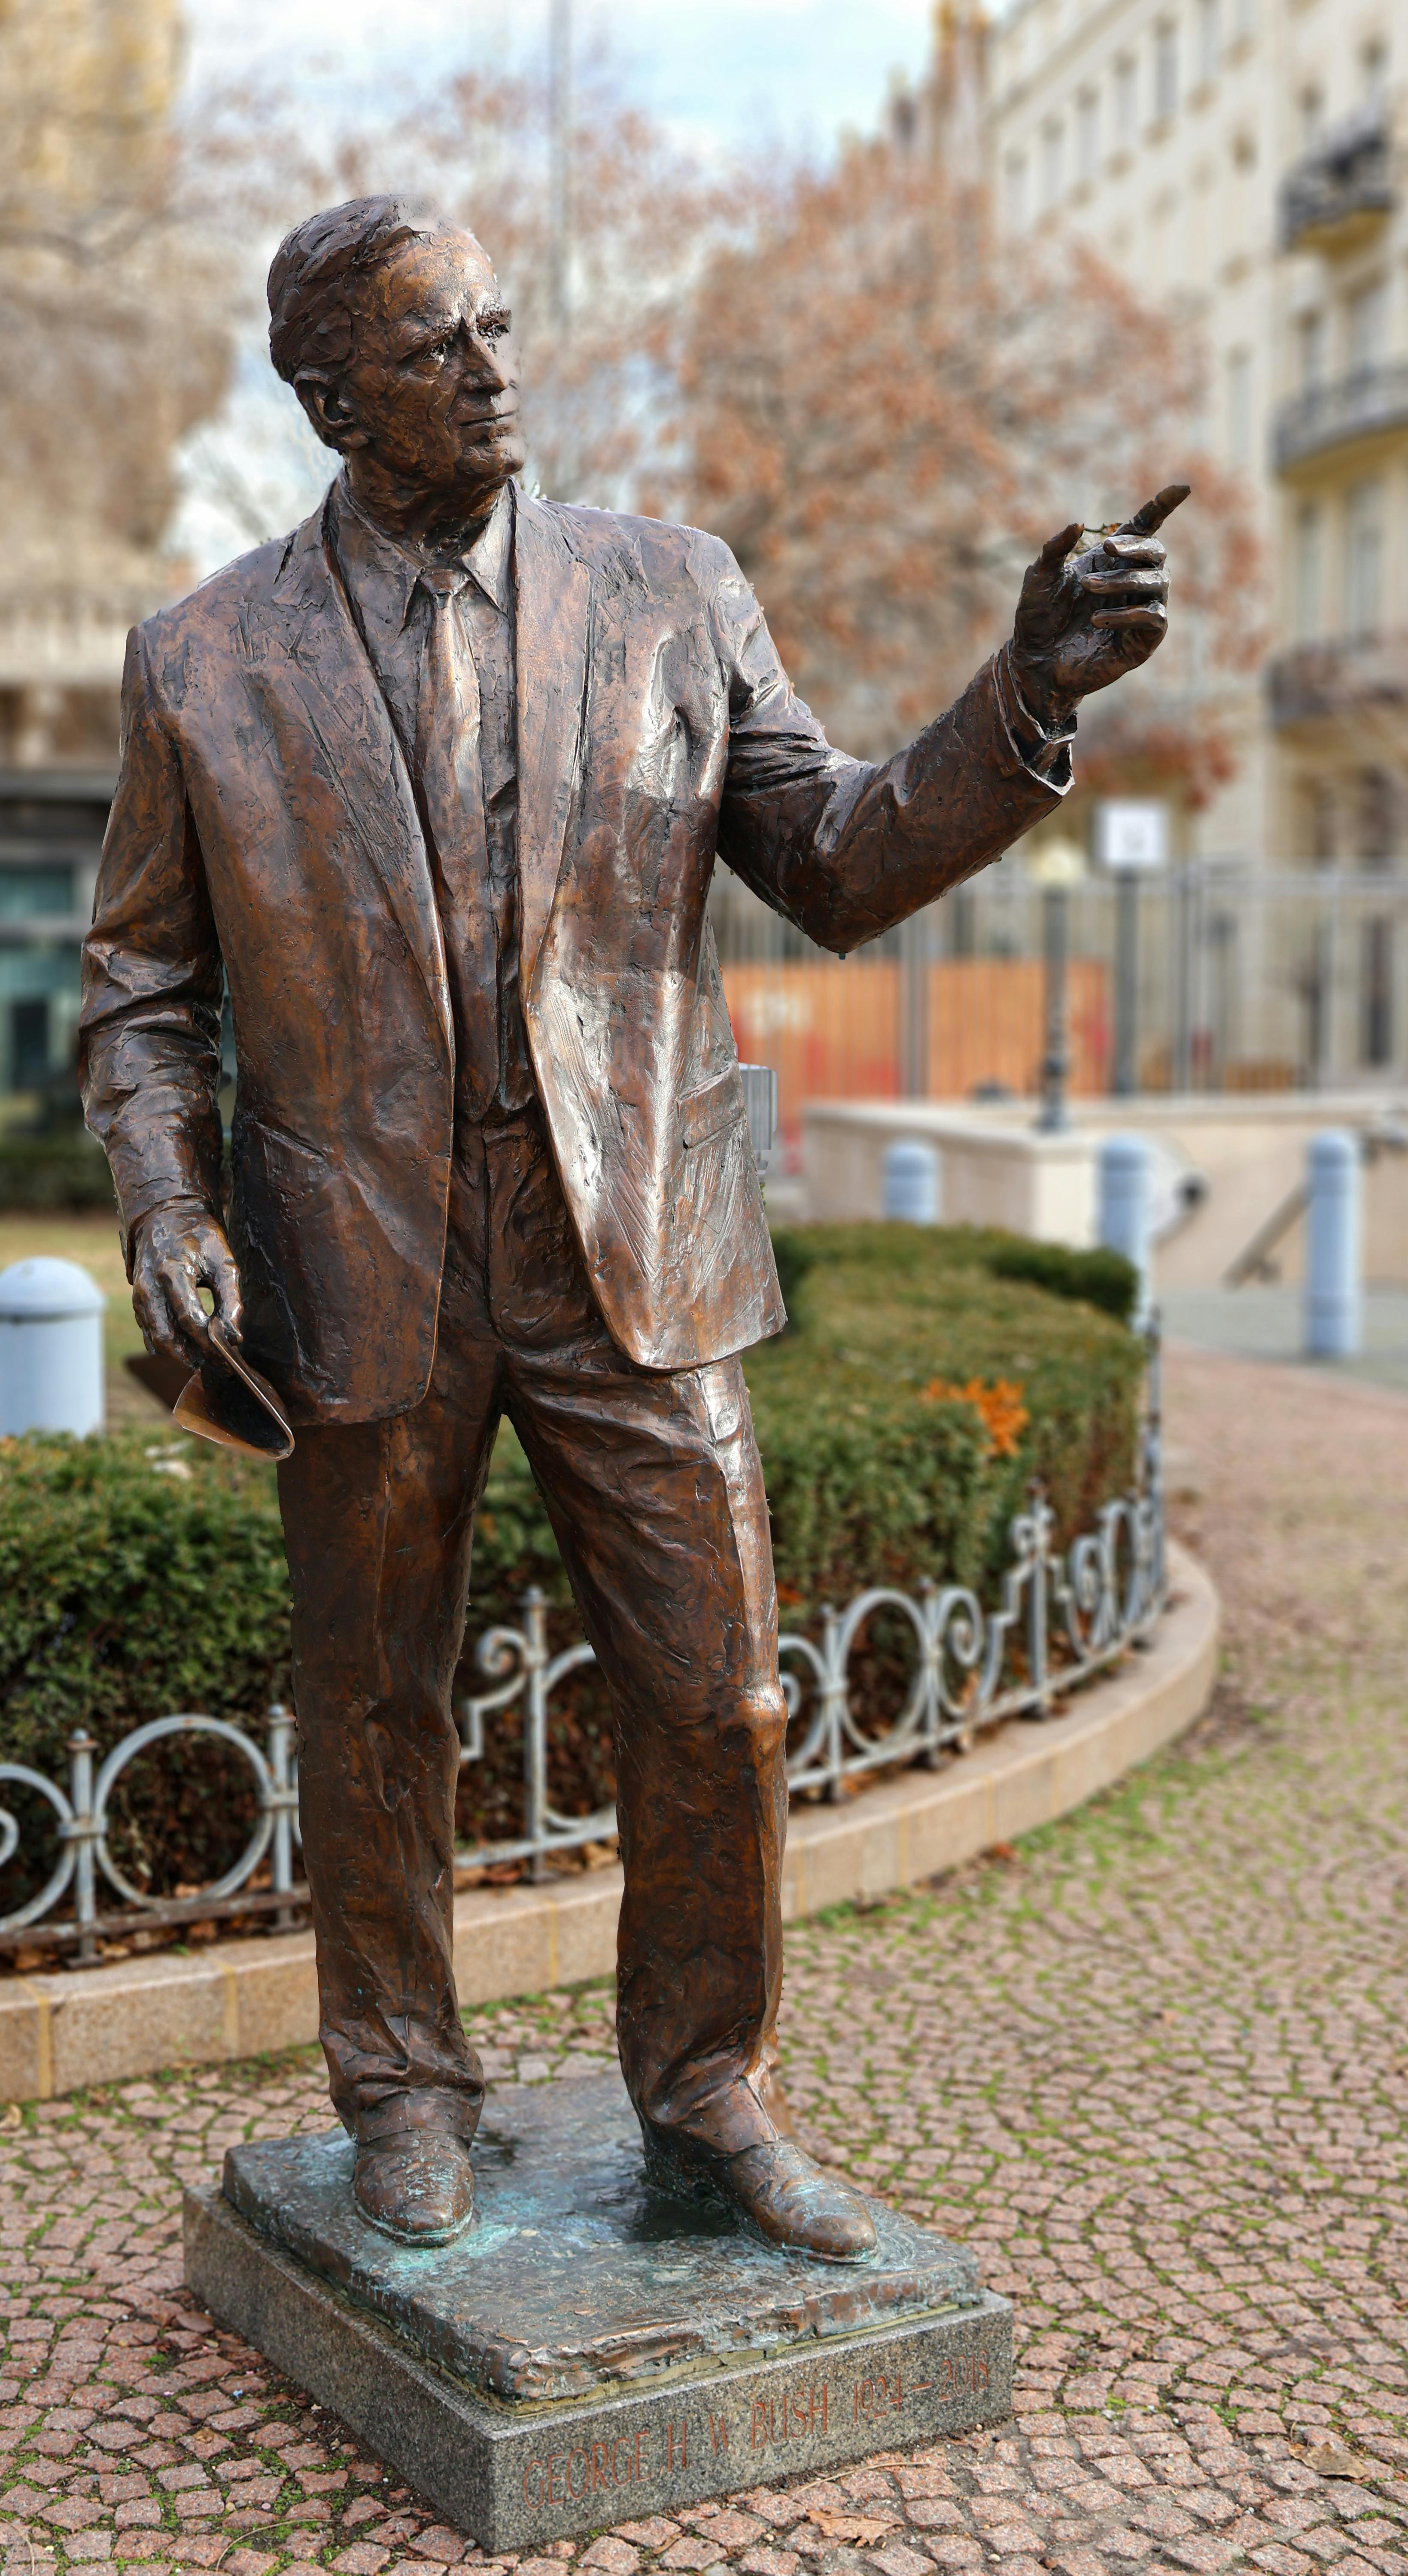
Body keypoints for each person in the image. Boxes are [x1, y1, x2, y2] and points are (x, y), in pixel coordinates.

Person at [80, 194, 1176, 2256]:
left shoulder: (673, 592)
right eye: (436, 347)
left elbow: (837, 861)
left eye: (499, 324)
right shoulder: (205, 659)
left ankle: (705, 2095)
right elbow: (146, 988)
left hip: (634, 1242)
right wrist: (165, 1201)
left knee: (717, 1699)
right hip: (357, 1251)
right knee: (376, 1697)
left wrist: (1018, 693)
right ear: (330, 398)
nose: (495, 368)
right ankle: (401, 2087)